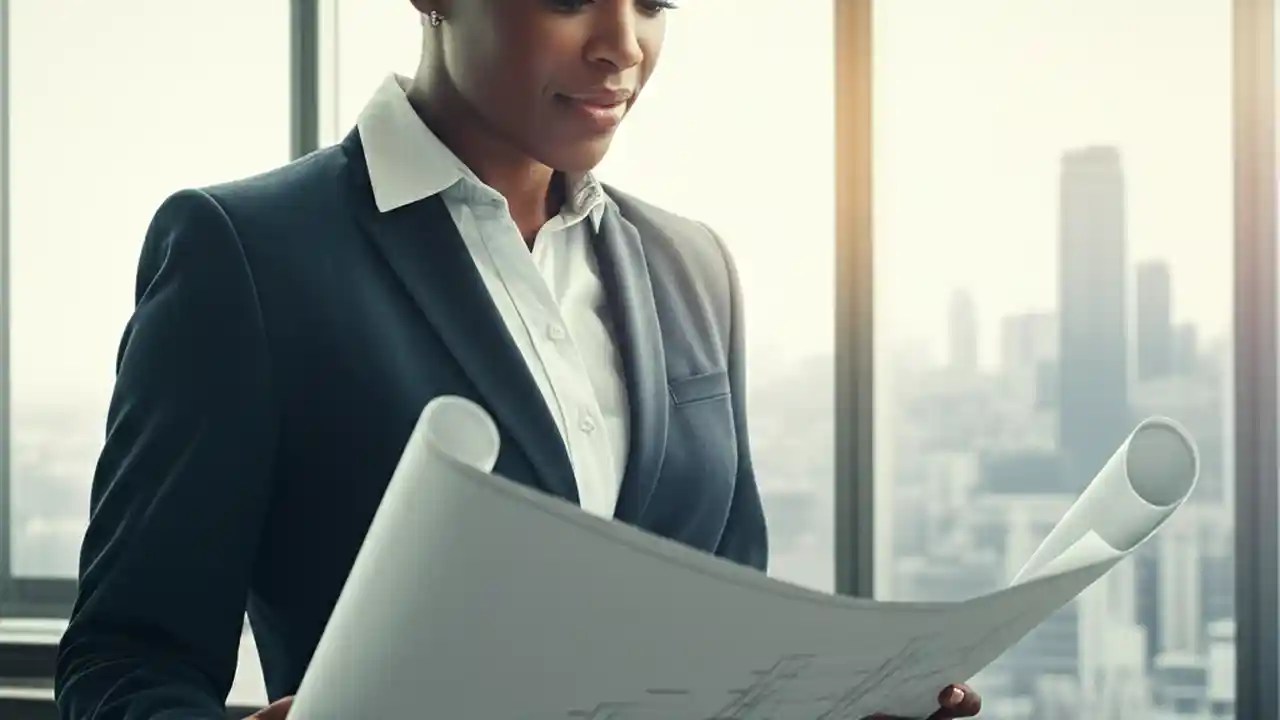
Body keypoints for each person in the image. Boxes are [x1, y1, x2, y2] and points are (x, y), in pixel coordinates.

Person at [53, 1, 983, 719]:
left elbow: (729, 637)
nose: (624, 46)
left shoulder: (697, 267)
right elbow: (123, 661)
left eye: (655, 1)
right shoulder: (246, 255)